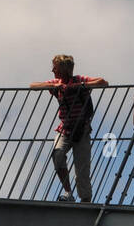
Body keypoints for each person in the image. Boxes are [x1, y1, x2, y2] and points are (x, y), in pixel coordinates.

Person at [30, 55, 107, 202]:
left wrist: (79, 86)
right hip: (64, 129)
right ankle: (68, 192)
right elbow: (33, 86)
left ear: (64, 68)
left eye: (55, 67)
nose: (52, 70)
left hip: (82, 129)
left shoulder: (78, 79)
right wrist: (53, 87)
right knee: (57, 155)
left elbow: (103, 82)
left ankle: (85, 199)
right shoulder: (57, 83)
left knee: (82, 169)